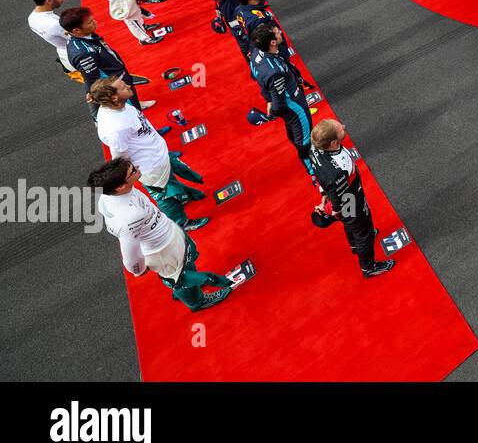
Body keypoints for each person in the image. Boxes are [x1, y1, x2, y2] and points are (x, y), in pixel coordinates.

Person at [88, 157, 233, 313]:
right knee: (180, 276)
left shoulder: (108, 195)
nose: (138, 167)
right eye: (133, 171)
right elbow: (129, 253)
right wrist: (138, 269)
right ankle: (197, 302)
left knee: (184, 267)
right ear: (121, 186)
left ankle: (183, 289)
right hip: (162, 249)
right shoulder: (130, 217)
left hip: (166, 235)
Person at [93, 78, 206, 230]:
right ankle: (181, 224)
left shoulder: (117, 106)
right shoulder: (115, 129)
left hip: (157, 156)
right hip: (150, 168)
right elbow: (121, 160)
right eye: (123, 87)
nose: (128, 85)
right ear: (114, 97)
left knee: (169, 184)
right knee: (165, 197)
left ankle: (180, 198)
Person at [307, 119, 394, 278]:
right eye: (341, 129)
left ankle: (354, 244)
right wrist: (328, 208)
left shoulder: (314, 147)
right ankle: (369, 268)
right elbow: (338, 205)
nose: (344, 127)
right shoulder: (339, 171)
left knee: (351, 224)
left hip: (341, 194)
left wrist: (323, 195)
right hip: (350, 199)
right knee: (364, 231)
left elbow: (317, 175)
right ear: (333, 142)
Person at [249, 23, 316, 181]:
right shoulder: (275, 71)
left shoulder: (256, 53)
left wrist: (268, 100)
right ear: (272, 42)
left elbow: (258, 80)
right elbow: (278, 106)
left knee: (295, 136)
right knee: (304, 142)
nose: (280, 33)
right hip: (295, 109)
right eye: (278, 33)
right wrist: (272, 109)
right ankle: (314, 174)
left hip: (290, 106)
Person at [28, 0, 79, 80]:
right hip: (77, 59)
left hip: (66, 58)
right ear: (48, 1)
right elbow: (80, 37)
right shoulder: (55, 24)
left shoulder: (31, 18)